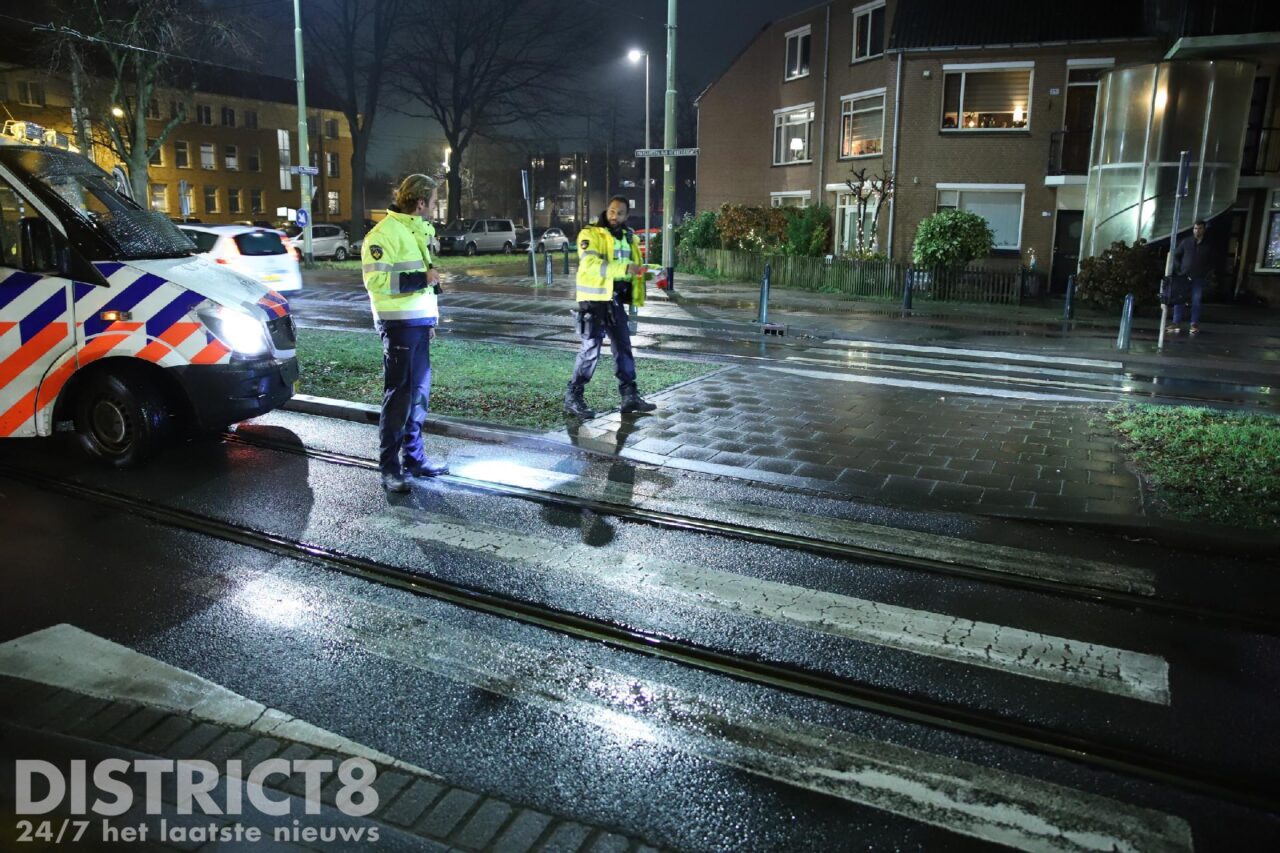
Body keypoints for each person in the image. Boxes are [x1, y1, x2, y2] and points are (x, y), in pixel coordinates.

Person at [362, 173, 448, 493]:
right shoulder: (384, 234)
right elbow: (376, 281)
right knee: (399, 398)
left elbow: (422, 278)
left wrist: (429, 322)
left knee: (418, 397)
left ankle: (414, 459)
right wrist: (423, 278)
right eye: (434, 200)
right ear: (421, 202)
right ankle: (389, 469)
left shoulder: (415, 230)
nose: (435, 206)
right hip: (398, 327)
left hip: (417, 325)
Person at [563, 196, 656, 419]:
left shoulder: (628, 238)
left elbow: (632, 268)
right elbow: (591, 264)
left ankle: (629, 396)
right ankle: (573, 397)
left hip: (614, 299)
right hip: (593, 299)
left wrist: (650, 272)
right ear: (607, 210)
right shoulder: (591, 234)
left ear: (626, 215)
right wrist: (626, 268)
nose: (615, 216)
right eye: (612, 211)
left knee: (623, 346)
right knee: (590, 349)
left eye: (620, 213)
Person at [1168, 219, 1214, 336]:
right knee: (1179, 299)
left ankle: (1194, 324)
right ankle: (1176, 322)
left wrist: (1206, 272)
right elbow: (1176, 255)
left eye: (1199, 228)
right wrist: (1179, 269)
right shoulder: (1186, 242)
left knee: (1196, 300)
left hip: (1199, 277)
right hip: (1184, 276)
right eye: (1195, 228)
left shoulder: (1208, 245)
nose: (1197, 231)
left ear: (1204, 230)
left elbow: (1212, 261)